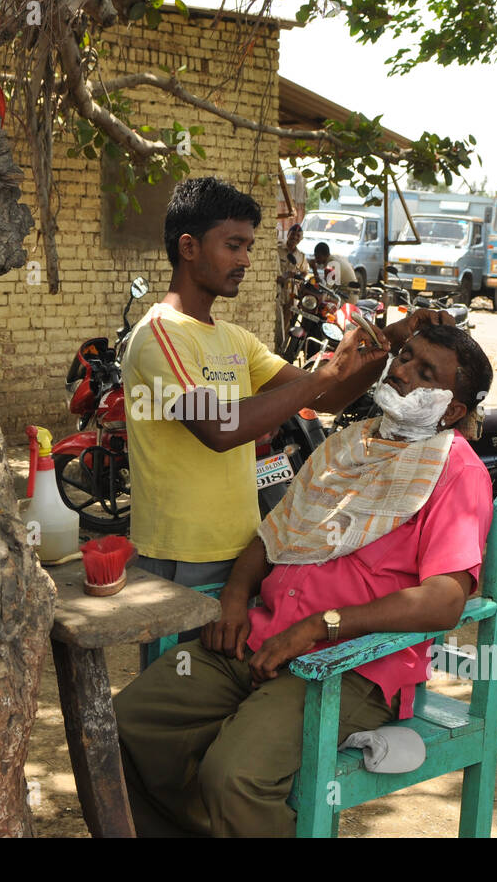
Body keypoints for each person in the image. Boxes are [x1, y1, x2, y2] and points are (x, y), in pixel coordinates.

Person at [114, 322, 495, 837]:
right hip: (260, 635)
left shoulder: (458, 472)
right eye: (404, 357)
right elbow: (272, 537)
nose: (401, 371)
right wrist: (232, 596)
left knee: (233, 777)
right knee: (122, 726)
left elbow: (445, 600)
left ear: (452, 409)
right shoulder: (347, 445)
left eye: (424, 373)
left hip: (348, 666)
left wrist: (322, 627)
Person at [121, 177, 447, 596]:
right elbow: (219, 429)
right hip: (182, 554)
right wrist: (327, 372)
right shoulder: (159, 336)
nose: (245, 260)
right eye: (232, 246)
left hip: (242, 549)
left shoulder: (235, 339)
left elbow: (327, 399)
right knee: (181, 660)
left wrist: (390, 340)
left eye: (249, 248)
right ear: (188, 248)